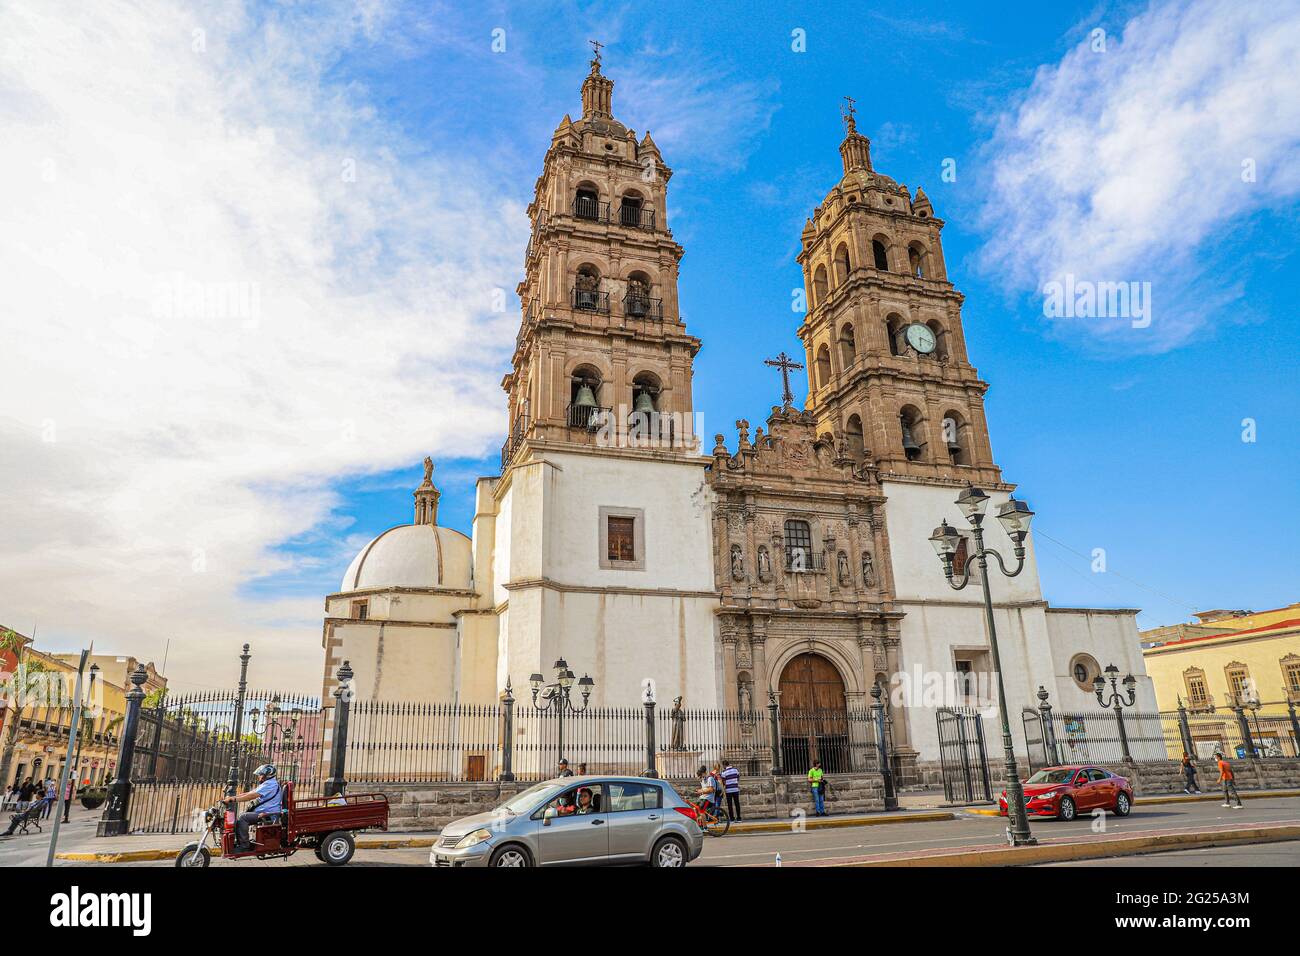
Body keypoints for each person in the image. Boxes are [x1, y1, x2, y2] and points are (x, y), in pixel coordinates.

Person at [230, 764, 283, 851]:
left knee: (243, 818)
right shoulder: (267, 783)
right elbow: (250, 793)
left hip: (269, 815)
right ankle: (241, 842)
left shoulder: (270, 784)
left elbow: (252, 796)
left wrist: (234, 799)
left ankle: (244, 846)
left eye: (260, 775)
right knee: (242, 815)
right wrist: (232, 797)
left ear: (267, 775)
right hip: (264, 813)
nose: (259, 777)